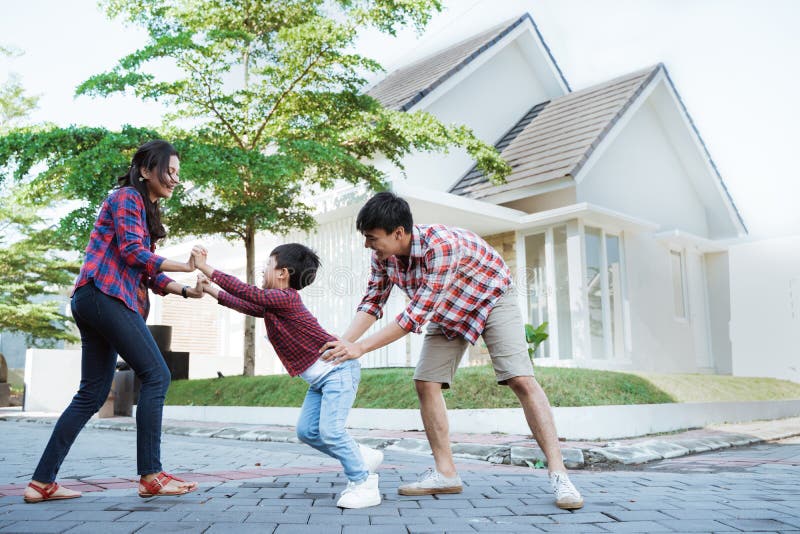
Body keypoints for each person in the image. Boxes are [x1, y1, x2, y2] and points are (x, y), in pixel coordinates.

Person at [320, 191, 584, 510]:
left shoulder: (441, 246)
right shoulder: (382, 257)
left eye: (372, 238)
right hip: (448, 307)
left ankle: (560, 475)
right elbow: (373, 301)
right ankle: (446, 474)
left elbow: (414, 317)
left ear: (399, 233)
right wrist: (344, 344)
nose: (368, 245)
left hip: (491, 298)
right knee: (425, 382)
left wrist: (359, 348)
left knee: (521, 379)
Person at [24, 140, 201, 504]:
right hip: (105, 295)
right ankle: (151, 474)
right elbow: (133, 253)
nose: (174, 179)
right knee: (157, 375)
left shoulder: (144, 212)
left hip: (97, 298)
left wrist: (186, 290)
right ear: (146, 170)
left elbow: (146, 272)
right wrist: (184, 264)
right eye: (169, 171)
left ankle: (41, 482)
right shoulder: (126, 198)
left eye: (178, 174)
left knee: (90, 394)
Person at [192, 243, 384, 509]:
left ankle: (363, 483)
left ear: (283, 273)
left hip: (338, 370)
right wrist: (211, 290)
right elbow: (245, 304)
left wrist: (206, 268)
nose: (263, 270)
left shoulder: (286, 298)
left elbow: (247, 293)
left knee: (330, 431)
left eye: (268, 265)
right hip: (321, 378)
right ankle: (360, 455)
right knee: (307, 432)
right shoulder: (274, 305)